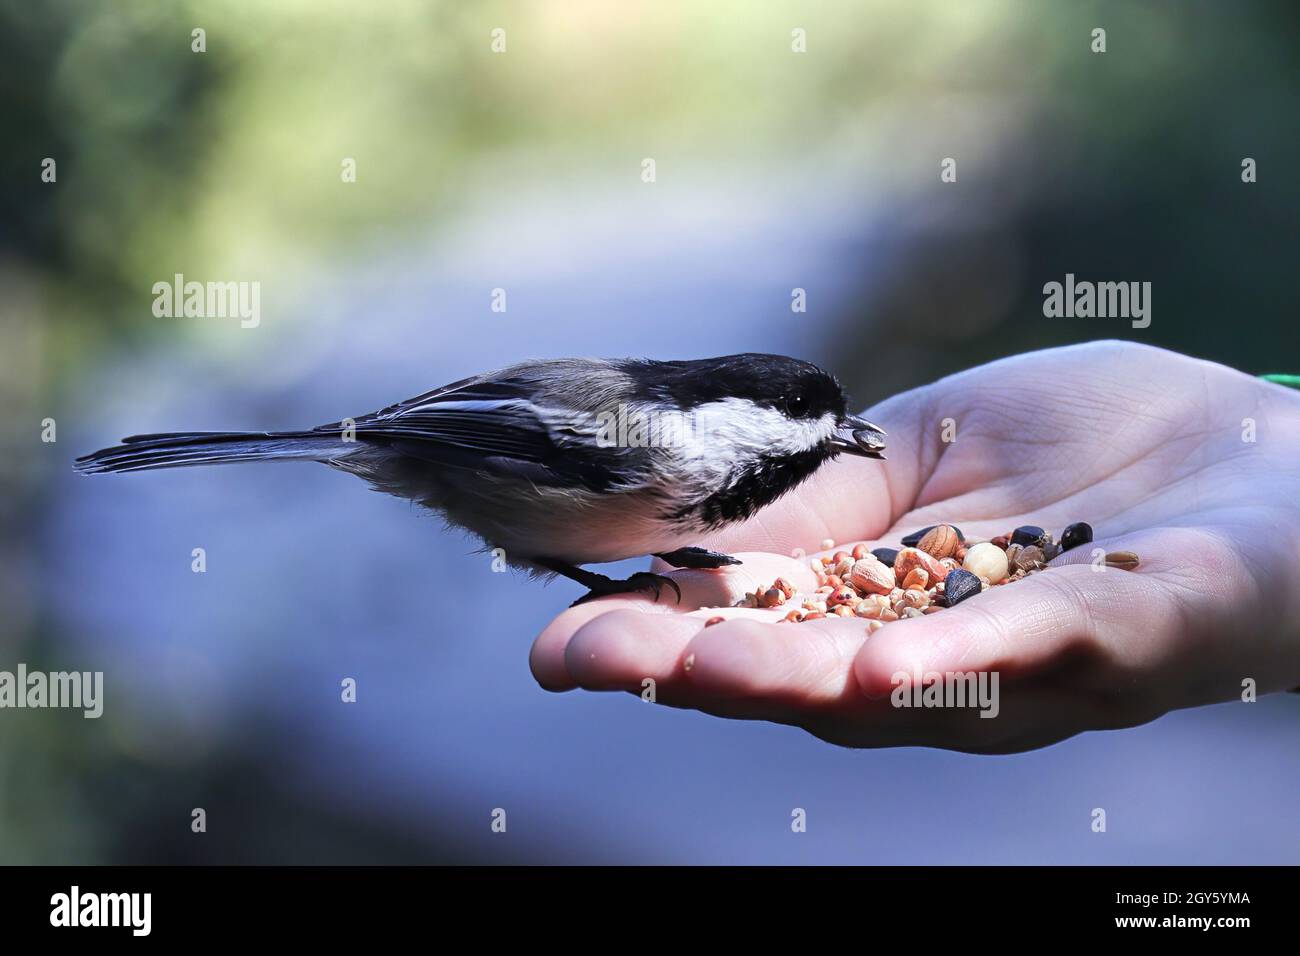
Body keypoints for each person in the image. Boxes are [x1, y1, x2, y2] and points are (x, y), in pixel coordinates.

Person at [530, 340, 1300, 752]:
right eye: (802, 411)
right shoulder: (666, 440)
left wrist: (1266, 434)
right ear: (723, 408)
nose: (832, 431)